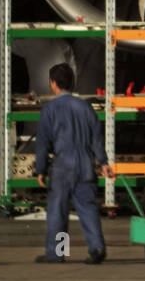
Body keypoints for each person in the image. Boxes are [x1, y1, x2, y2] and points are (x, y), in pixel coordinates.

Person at [34, 63, 114, 264]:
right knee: (88, 208)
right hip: (85, 163)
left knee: (58, 212)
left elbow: (43, 142)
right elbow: (97, 137)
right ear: (73, 82)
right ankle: (97, 248)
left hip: (62, 164)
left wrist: (40, 169)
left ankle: (57, 253)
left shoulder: (49, 109)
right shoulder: (85, 107)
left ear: (53, 83)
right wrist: (103, 162)